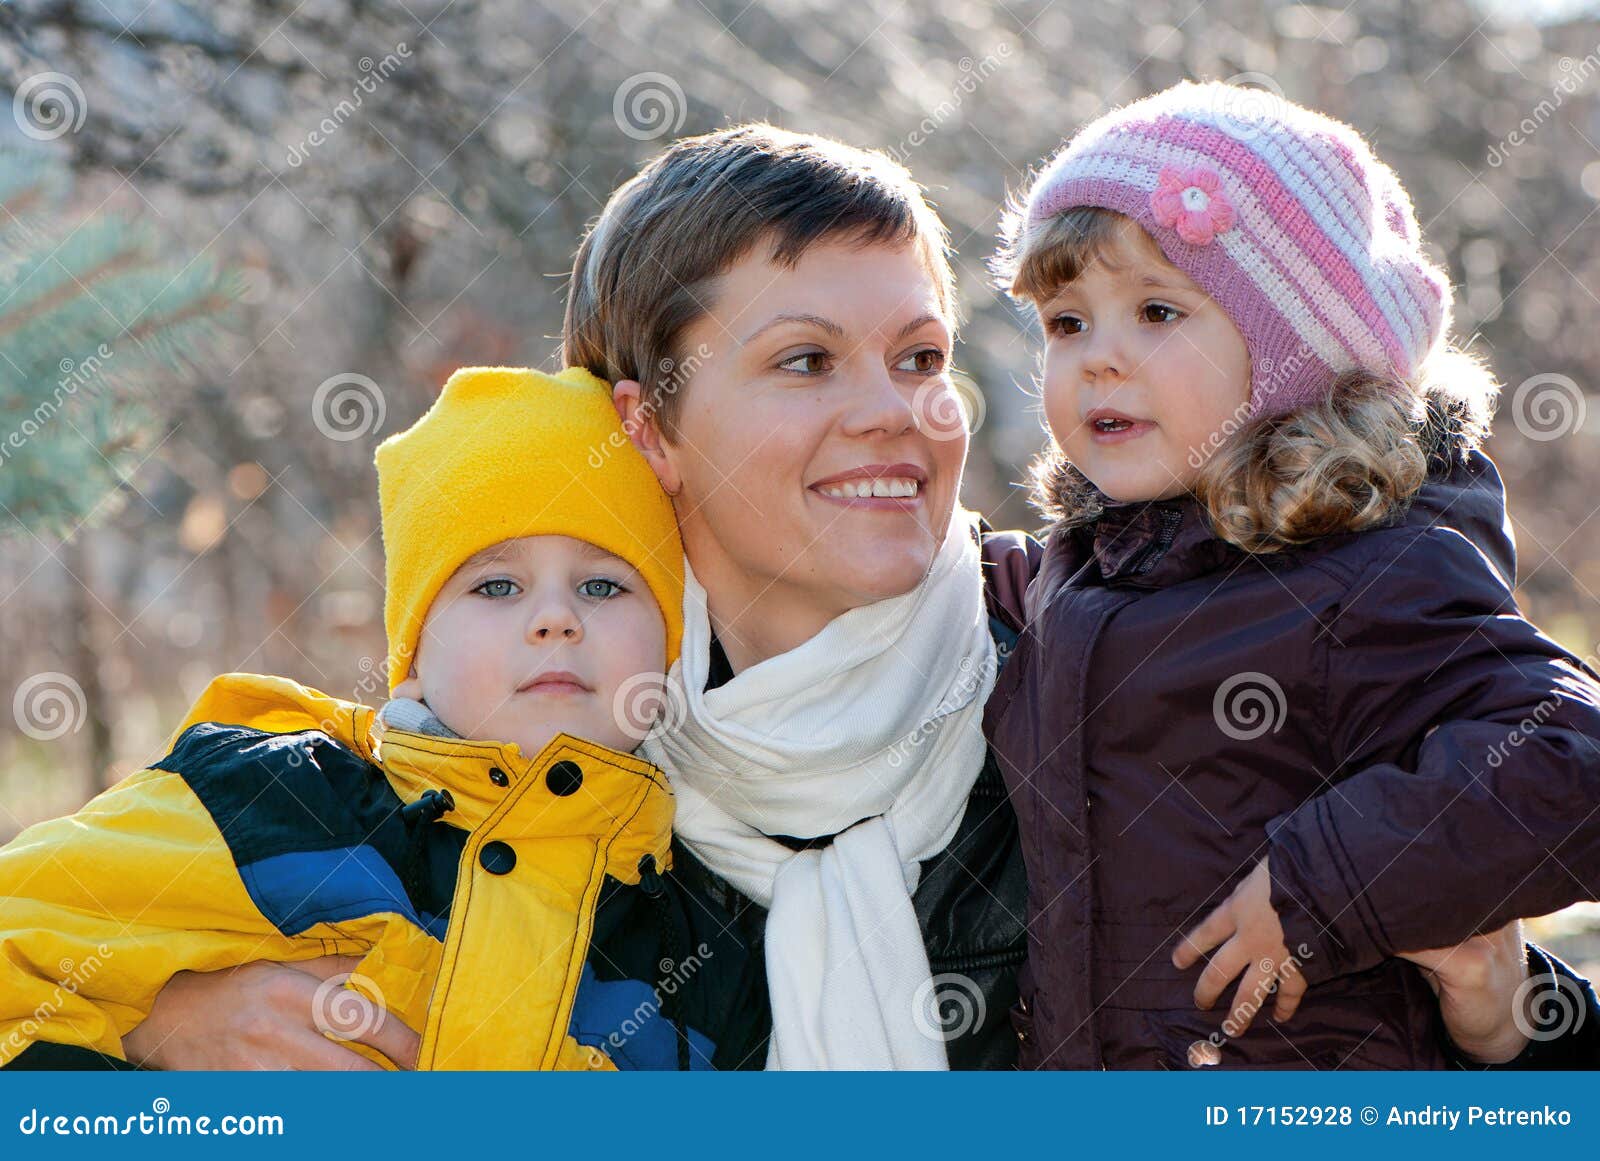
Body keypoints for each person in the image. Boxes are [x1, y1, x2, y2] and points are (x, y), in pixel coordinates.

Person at [123, 125, 1600, 1070]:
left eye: (919, 357)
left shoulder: (1107, 663)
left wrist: (1509, 1024)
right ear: (649, 423)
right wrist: (147, 1029)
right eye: (805, 361)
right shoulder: (495, 762)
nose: (894, 414)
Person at [987, 80, 1600, 1068]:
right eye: (1066, 322)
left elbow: (1571, 763)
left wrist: (1330, 881)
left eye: (1155, 310)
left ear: (1293, 356)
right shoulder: (1084, 573)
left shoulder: (1371, 571)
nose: (1098, 359)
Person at [0, 365, 733, 1071]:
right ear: (412, 659)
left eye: (601, 585)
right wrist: (154, 1030)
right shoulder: (274, 805)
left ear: (672, 645)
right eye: (497, 585)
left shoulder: (714, 945)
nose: (555, 618)